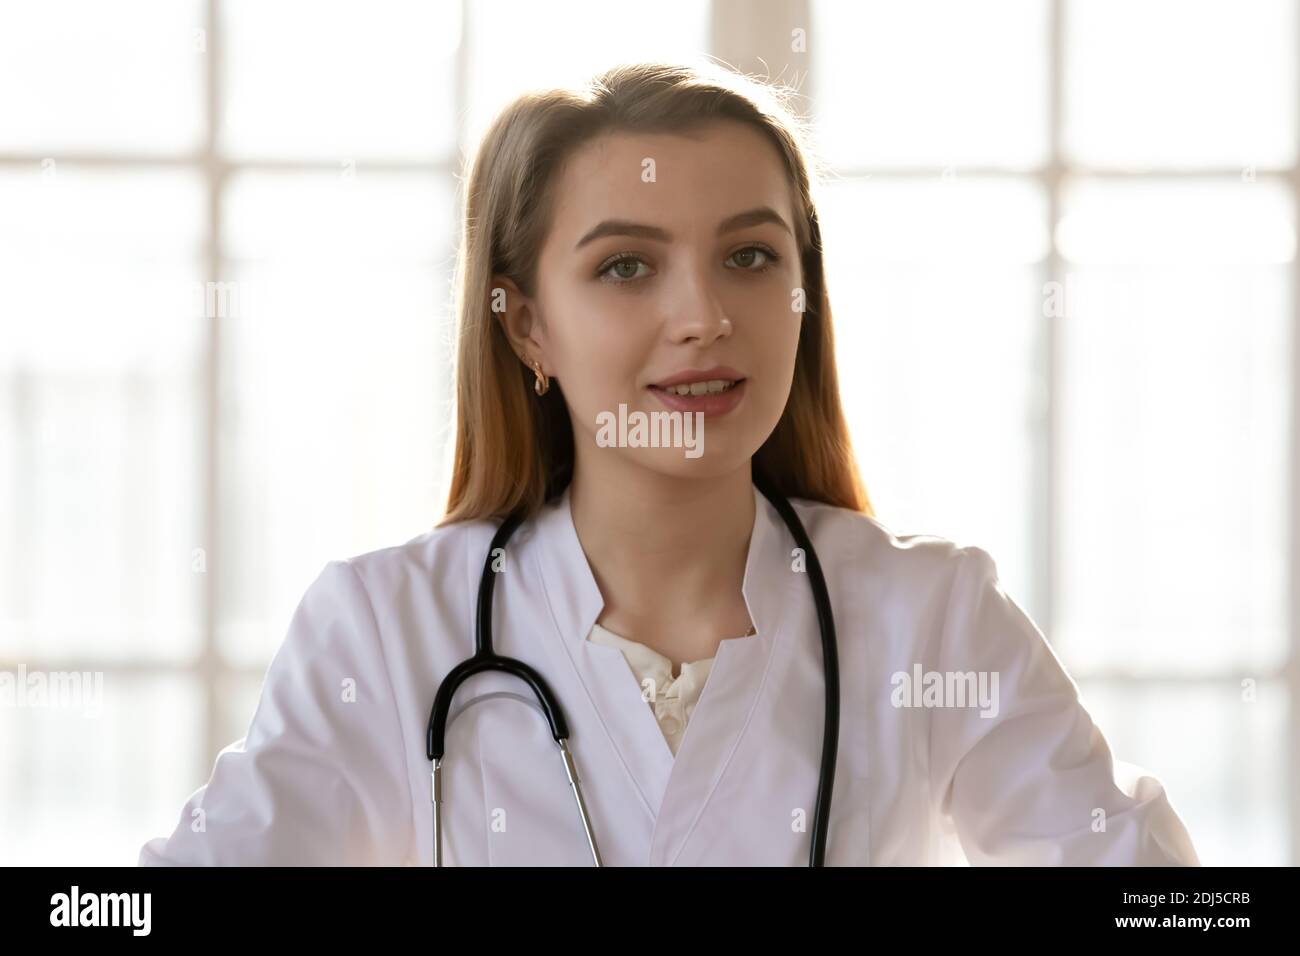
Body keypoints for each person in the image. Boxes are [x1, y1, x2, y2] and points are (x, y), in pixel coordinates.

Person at [139, 62, 1199, 866]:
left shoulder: (927, 614)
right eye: (626, 266)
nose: (702, 317)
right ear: (525, 327)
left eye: (749, 256)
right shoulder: (386, 625)